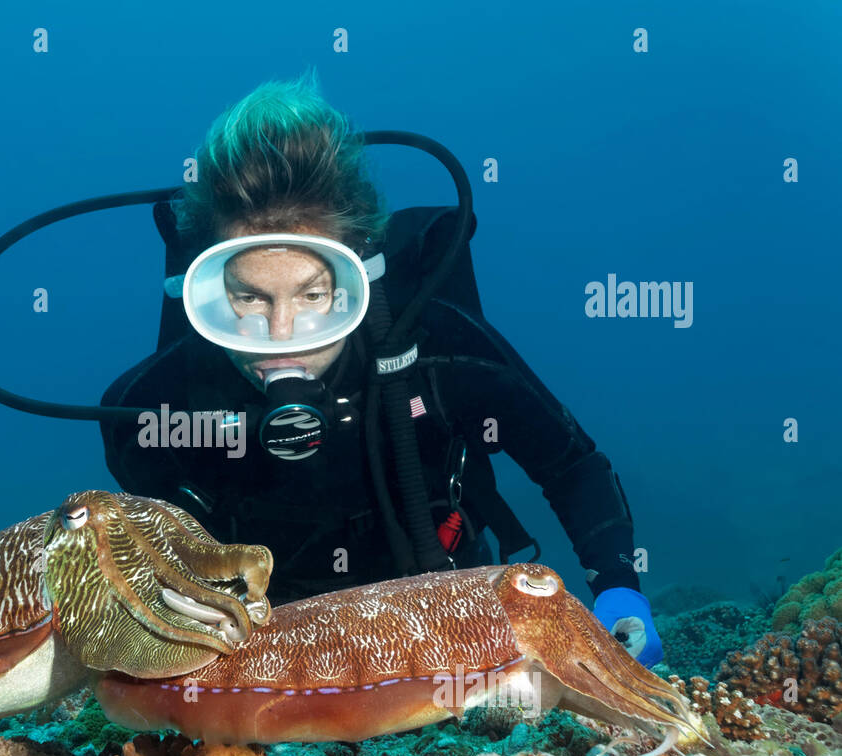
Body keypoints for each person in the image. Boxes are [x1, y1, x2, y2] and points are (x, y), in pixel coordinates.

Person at [98, 73, 663, 665]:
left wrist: (619, 585)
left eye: (313, 295)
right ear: (205, 288)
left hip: (452, 648)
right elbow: (147, 558)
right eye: (249, 298)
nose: (281, 335)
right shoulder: (150, 409)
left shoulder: (443, 352)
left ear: (358, 275)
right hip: (260, 665)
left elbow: (571, 465)